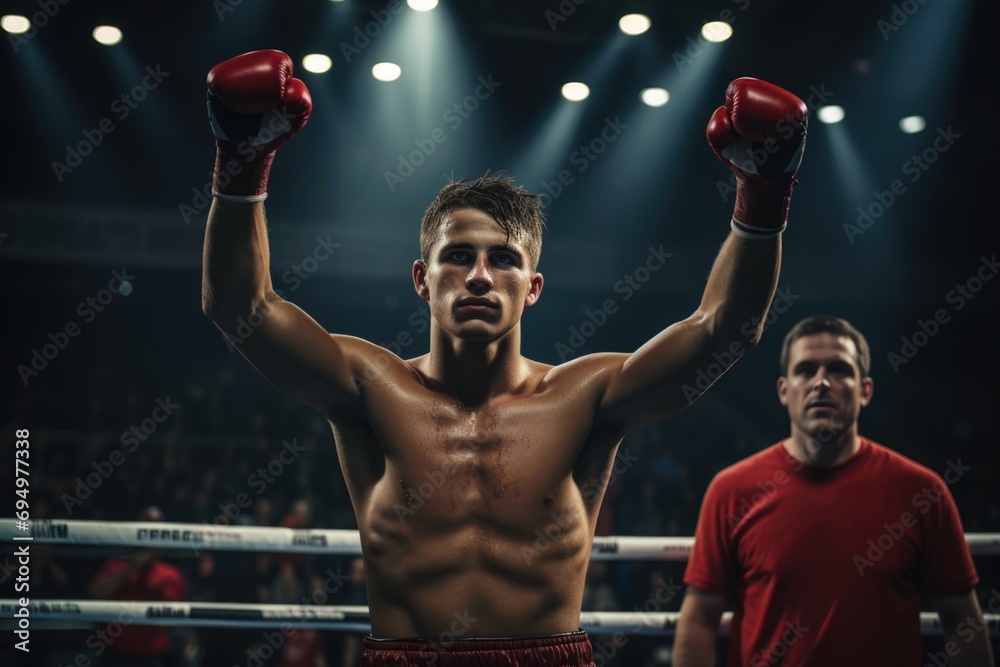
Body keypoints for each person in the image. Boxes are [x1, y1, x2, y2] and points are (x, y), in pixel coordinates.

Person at [200, 49, 807, 666]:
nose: (481, 277)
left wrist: (764, 193)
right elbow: (238, 304)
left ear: (533, 286)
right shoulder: (366, 385)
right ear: (421, 278)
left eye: (505, 259)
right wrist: (242, 162)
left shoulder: (587, 395)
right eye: (458, 255)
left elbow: (727, 329)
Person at [674, 316, 995, 666]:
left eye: (839, 370)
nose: (821, 383)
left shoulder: (923, 492)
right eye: (806, 370)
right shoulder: (732, 490)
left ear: (865, 390)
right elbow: (699, 621)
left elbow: (963, 622)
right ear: (784, 390)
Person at [88, 506, 188, 667]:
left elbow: (179, 621)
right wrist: (131, 567)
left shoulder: (170, 575)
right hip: (113, 657)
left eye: (156, 528)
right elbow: (96, 595)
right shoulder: (115, 565)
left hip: (150, 658)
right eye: (147, 526)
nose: (151, 533)